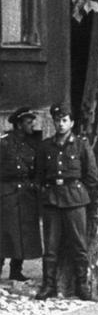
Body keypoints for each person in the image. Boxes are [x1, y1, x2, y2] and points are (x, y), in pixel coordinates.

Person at [33, 103, 98, 301]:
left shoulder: (81, 145)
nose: (60, 124)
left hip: (75, 200)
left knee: (79, 246)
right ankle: (48, 285)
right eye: (57, 120)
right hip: (52, 200)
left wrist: (81, 195)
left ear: (72, 123)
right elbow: (39, 175)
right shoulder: (45, 146)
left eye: (64, 120)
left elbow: (92, 176)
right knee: (50, 248)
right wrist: (45, 193)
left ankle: (82, 285)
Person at [0, 108, 43, 281]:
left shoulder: (31, 145)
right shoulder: (3, 143)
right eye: (28, 122)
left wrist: (34, 186)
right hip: (7, 194)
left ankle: (16, 270)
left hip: (26, 195)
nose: (32, 125)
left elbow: (36, 171)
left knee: (23, 233)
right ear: (19, 124)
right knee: (4, 233)